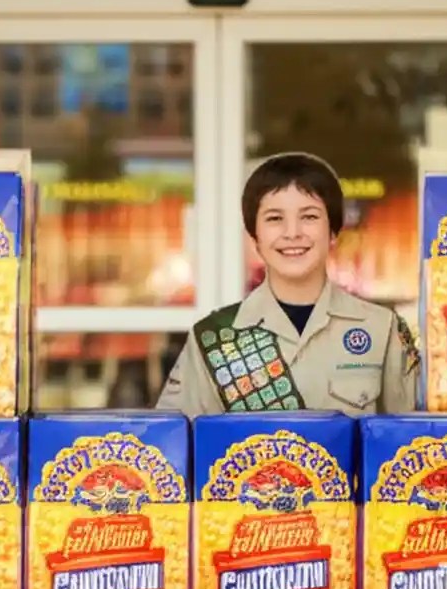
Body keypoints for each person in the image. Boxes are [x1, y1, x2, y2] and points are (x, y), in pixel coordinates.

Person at [156, 152, 419, 418]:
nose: (292, 233)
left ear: (333, 232)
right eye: (274, 218)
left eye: (309, 217)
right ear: (255, 237)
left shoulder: (383, 330)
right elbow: (172, 447)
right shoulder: (214, 338)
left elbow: (410, 443)